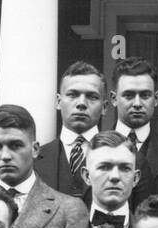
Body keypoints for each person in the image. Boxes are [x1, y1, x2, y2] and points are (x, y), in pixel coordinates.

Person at [110, 56, 158, 206]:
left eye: (145, 95)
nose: (137, 104)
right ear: (113, 99)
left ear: (156, 98)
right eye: (129, 95)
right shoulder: (93, 150)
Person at [34, 61, 106, 197]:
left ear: (104, 107)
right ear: (58, 102)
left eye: (92, 97)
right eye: (73, 95)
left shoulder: (124, 158)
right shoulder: (34, 160)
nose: (81, 103)